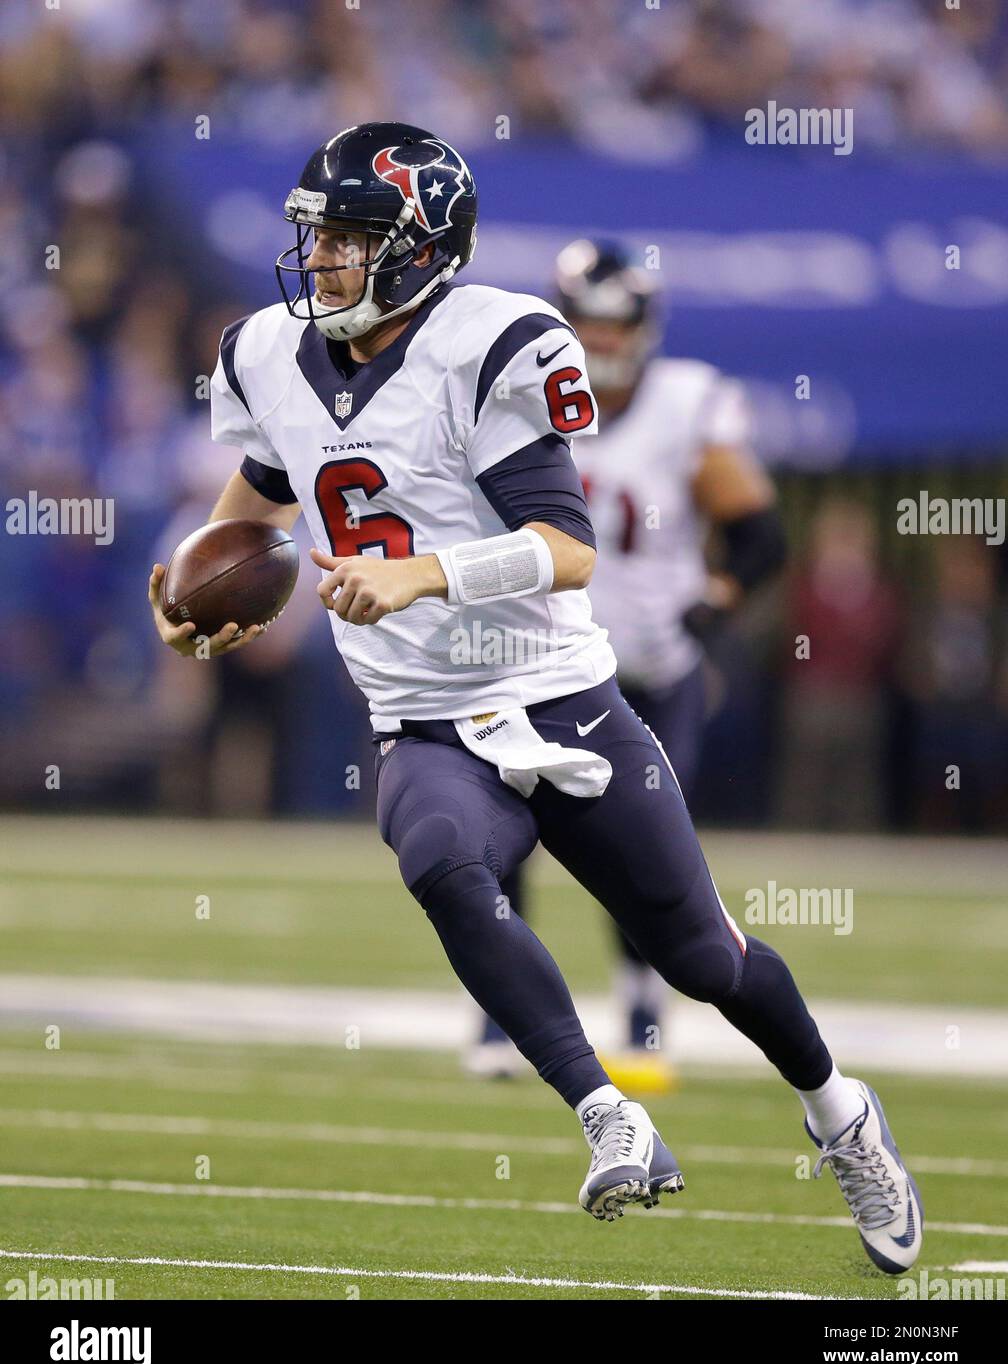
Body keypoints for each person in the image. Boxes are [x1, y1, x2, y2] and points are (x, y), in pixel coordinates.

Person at [147, 122, 921, 1267]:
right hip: (422, 718)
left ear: (419, 249)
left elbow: (567, 548)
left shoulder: (497, 341)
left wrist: (420, 571)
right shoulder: (267, 351)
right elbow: (252, 508)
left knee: (707, 958)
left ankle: (841, 1114)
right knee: (442, 860)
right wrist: (194, 587)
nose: (320, 261)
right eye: (317, 236)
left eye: (351, 238)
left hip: (561, 695)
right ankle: (608, 1112)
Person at [469, 239, 787, 1092]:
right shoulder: (510, 398)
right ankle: (501, 1013)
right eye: (589, 324)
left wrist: (717, 596)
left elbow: (759, 532)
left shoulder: (688, 403)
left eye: (617, 325)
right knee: (495, 836)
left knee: (643, 850)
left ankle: (643, 1009)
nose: (602, 343)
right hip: (532, 662)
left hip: (646, 667)